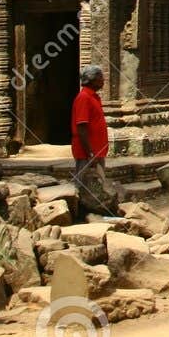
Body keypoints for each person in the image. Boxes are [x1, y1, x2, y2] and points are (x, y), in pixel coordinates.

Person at [71, 64, 116, 222]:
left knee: (96, 183)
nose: (103, 80)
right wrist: (90, 152)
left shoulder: (93, 97)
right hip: (87, 152)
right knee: (83, 183)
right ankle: (78, 214)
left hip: (96, 150)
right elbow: (82, 126)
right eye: (100, 77)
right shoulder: (84, 98)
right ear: (91, 80)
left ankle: (93, 212)